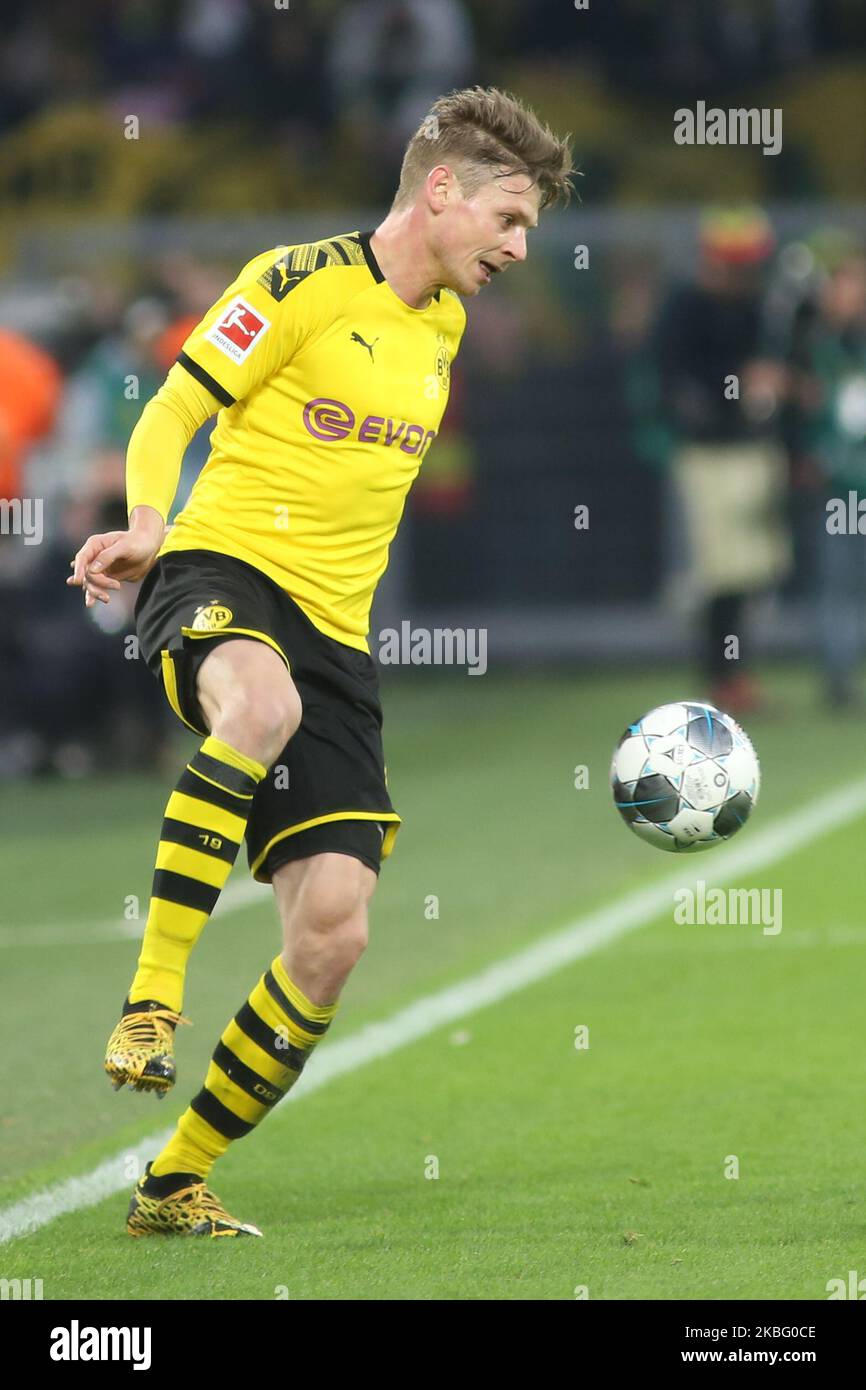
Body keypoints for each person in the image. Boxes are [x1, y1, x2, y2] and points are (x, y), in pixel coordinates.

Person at [68, 85, 574, 1238]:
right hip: (219, 575)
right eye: (507, 218)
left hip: (336, 639)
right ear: (439, 191)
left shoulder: (440, 320)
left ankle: (172, 1181)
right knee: (256, 701)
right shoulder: (292, 282)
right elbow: (167, 415)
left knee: (334, 934)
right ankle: (151, 1002)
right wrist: (147, 523)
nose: (518, 246)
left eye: (529, 229)